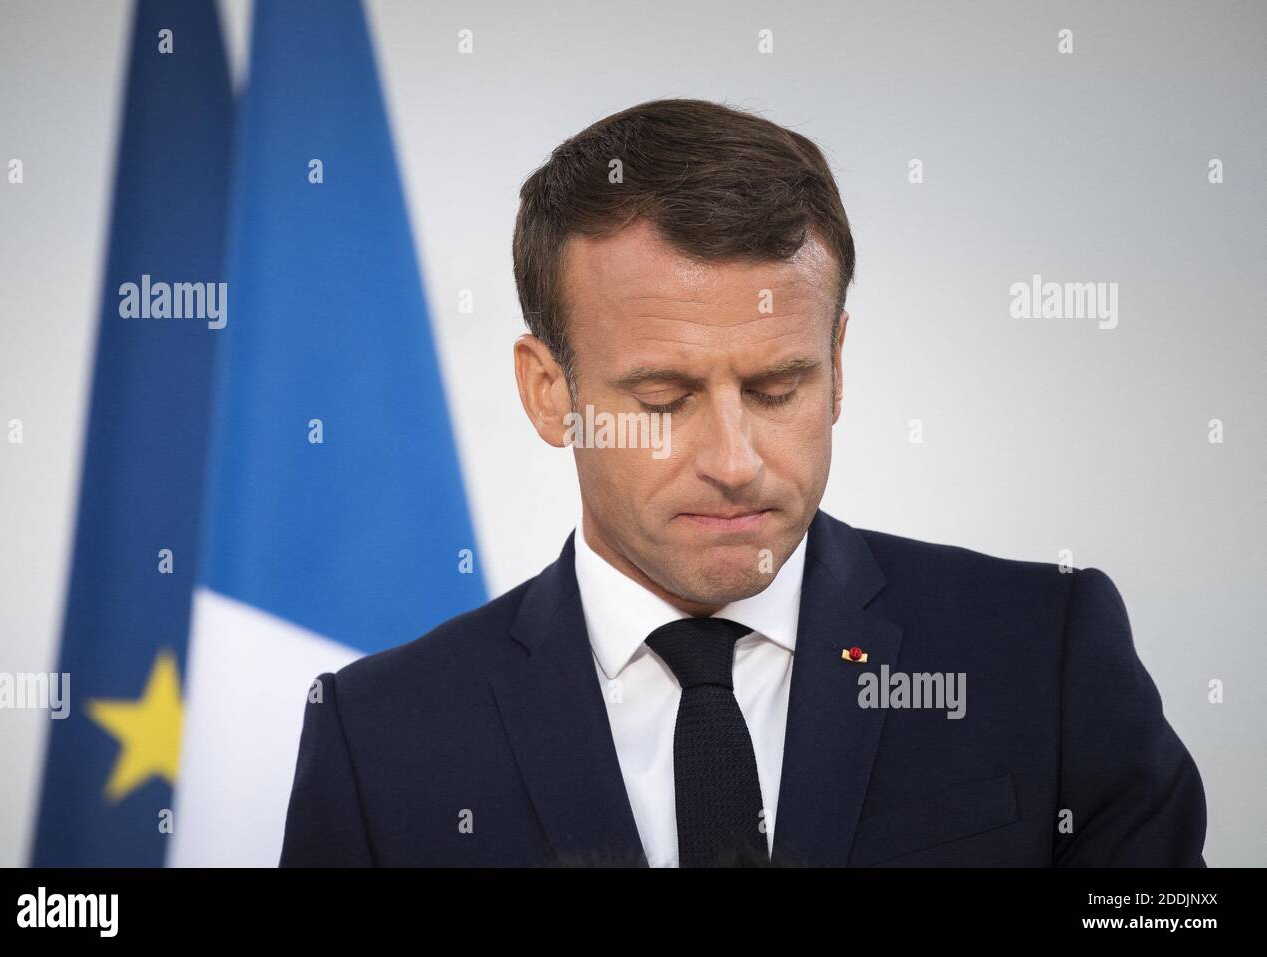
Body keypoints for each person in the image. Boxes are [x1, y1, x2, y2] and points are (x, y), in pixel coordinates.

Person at [279, 98, 1207, 867]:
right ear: (547, 390)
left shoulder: (1041, 654)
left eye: (776, 388)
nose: (734, 460)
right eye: (664, 397)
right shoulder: (381, 740)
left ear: (837, 366)